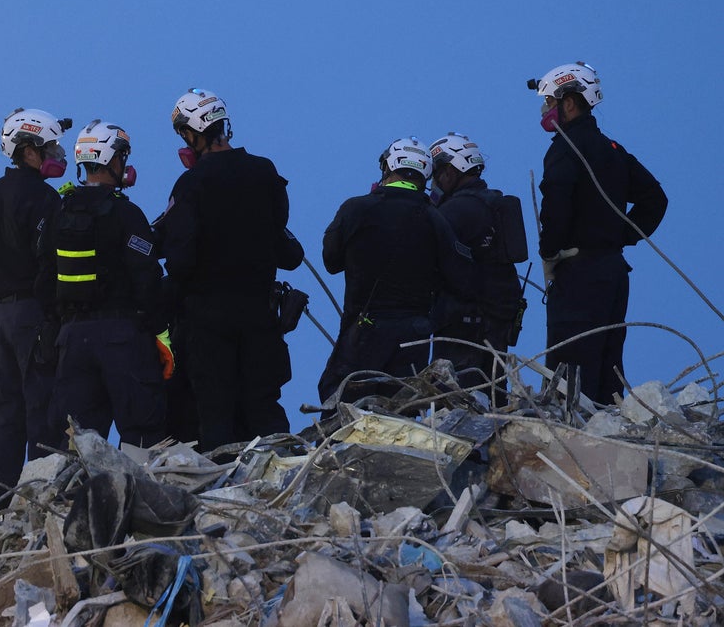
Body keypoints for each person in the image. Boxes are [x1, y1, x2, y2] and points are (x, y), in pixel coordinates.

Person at [157, 89, 303, 453]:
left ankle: (224, 499)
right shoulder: (265, 172)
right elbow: (285, 246)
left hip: (208, 321)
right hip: (259, 314)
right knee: (265, 407)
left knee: (215, 413)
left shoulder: (190, 185)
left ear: (193, 132)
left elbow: (179, 259)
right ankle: (284, 482)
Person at [530, 62, 667, 404]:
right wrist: (619, 236)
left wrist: (551, 251)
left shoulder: (565, 148)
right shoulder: (612, 150)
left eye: (549, 102)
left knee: (570, 372)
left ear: (570, 102)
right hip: (614, 274)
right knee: (607, 366)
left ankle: (569, 443)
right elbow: (655, 199)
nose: (546, 111)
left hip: (579, 275)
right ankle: (608, 438)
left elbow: (556, 206)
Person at [318, 137, 474, 410]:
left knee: (343, 403)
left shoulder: (356, 208)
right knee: (402, 410)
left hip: (364, 329)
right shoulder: (435, 218)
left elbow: (330, 260)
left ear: (387, 166)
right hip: (415, 333)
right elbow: (461, 279)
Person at [37, 120, 167, 447]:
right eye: (122, 156)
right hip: (122, 339)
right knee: (142, 433)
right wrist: (160, 332)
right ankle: (139, 495)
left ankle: (73, 497)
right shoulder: (127, 214)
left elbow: (44, 280)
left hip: (71, 342)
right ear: (110, 159)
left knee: (75, 443)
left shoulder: (59, 211)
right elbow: (147, 277)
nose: (125, 164)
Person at [0, 108, 70, 510]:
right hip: (33, 314)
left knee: (7, 413)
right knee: (42, 408)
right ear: (27, 150)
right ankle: (39, 500)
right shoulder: (43, 198)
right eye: (48, 146)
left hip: (2, 319)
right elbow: (48, 262)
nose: (56, 153)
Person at [428, 133, 526, 401]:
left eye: (436, 173)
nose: (434, 182)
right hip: (495, 324)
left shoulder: (456, 210)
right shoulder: (489, 203)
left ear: (450, 170)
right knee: (493, 398)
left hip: (462, 327)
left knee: (456, 403)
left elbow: (425, 254)